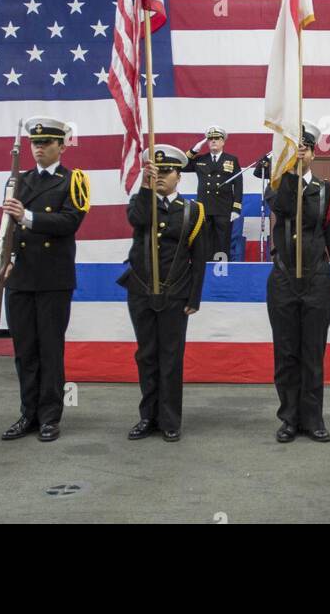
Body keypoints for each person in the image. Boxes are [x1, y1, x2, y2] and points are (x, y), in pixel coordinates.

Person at [0, 116, 90, 443]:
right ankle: (28, 413)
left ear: (61, 146)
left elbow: (69, 222)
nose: (38, 149)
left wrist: (28, 216)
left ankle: (50, 416)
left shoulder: (73, 181)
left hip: (53, 276)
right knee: (25, 350)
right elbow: (6, 231)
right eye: (35, 144)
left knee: (50, 349)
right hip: (21, 276)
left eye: (46, 143)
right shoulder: (18, 181)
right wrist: (2, 261)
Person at [118, 145, 209, 442]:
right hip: (141, 292)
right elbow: (139, 221)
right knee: (146, 356)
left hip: (176, 294)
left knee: (170, 358)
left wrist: (194, 298)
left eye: (167, 171)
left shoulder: (193, 211)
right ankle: (148, 417)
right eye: (156, 171)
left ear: (178, 176)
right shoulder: (141, 203)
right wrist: (146, 187)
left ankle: (170, 419)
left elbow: (199, 258)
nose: (160, 176)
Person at [267, 120, 330, 443]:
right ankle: (288, 418)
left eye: (306, 149)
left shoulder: (327, 191)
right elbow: (284, 207)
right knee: (286, 354)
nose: (302, 153)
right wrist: (291, 171)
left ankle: (313, 419)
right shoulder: (279, 185)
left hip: (316, 280)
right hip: (284, 279)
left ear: (314, 153)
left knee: (312, 353)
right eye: (296, 149)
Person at [184, 125, 243, 262]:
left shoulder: (231, 159)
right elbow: (182, 166)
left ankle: (221, 270)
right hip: (204, 207)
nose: (213, 141)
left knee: (223, 241)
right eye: (210, 139)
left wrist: (236, 208)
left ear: (223, 142)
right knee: (205, 241)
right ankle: (206, 269)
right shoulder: (200, 159)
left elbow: (238, 185)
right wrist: (193, 151)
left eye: (217, 138)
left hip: (224, 207)